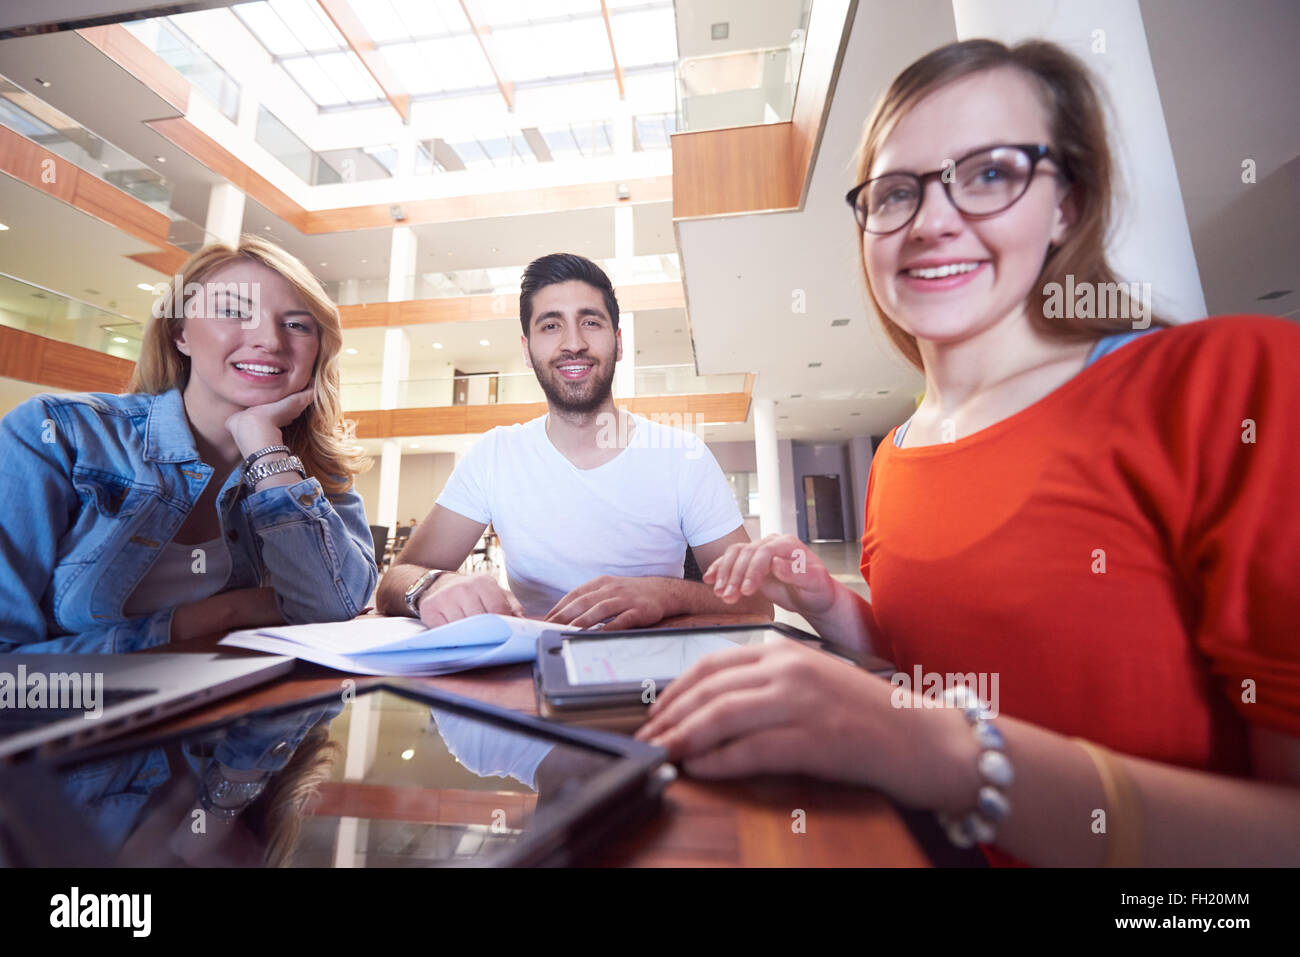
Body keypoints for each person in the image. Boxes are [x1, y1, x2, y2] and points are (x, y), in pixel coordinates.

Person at [636, 38, 1300, 866]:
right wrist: (829, 604)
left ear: (1067, 203)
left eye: (989, 173)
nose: (934, 220)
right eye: (897, 191)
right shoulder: (898, 453)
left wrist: (953, 754)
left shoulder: (1233, 386)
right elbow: (929, 668)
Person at [0, 236, 377, 652]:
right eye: (234, 312)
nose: (269, 340)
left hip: (240, 707)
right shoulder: (56, 433)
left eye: (296, 324)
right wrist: (214, 617)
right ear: (180, 334)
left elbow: (335, 607)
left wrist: (264, 448)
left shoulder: (310, 467)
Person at [377, 253, 771, 629]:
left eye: (590, 322)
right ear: (527, 351)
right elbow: (395, 581)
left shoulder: (683, 456)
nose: (573, 343)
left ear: (617, 342)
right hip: (531, 678)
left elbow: (757, 605)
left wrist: (668, 595)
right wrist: (435, 585)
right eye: (551, 325)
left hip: (653, 679)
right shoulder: (494, 455)